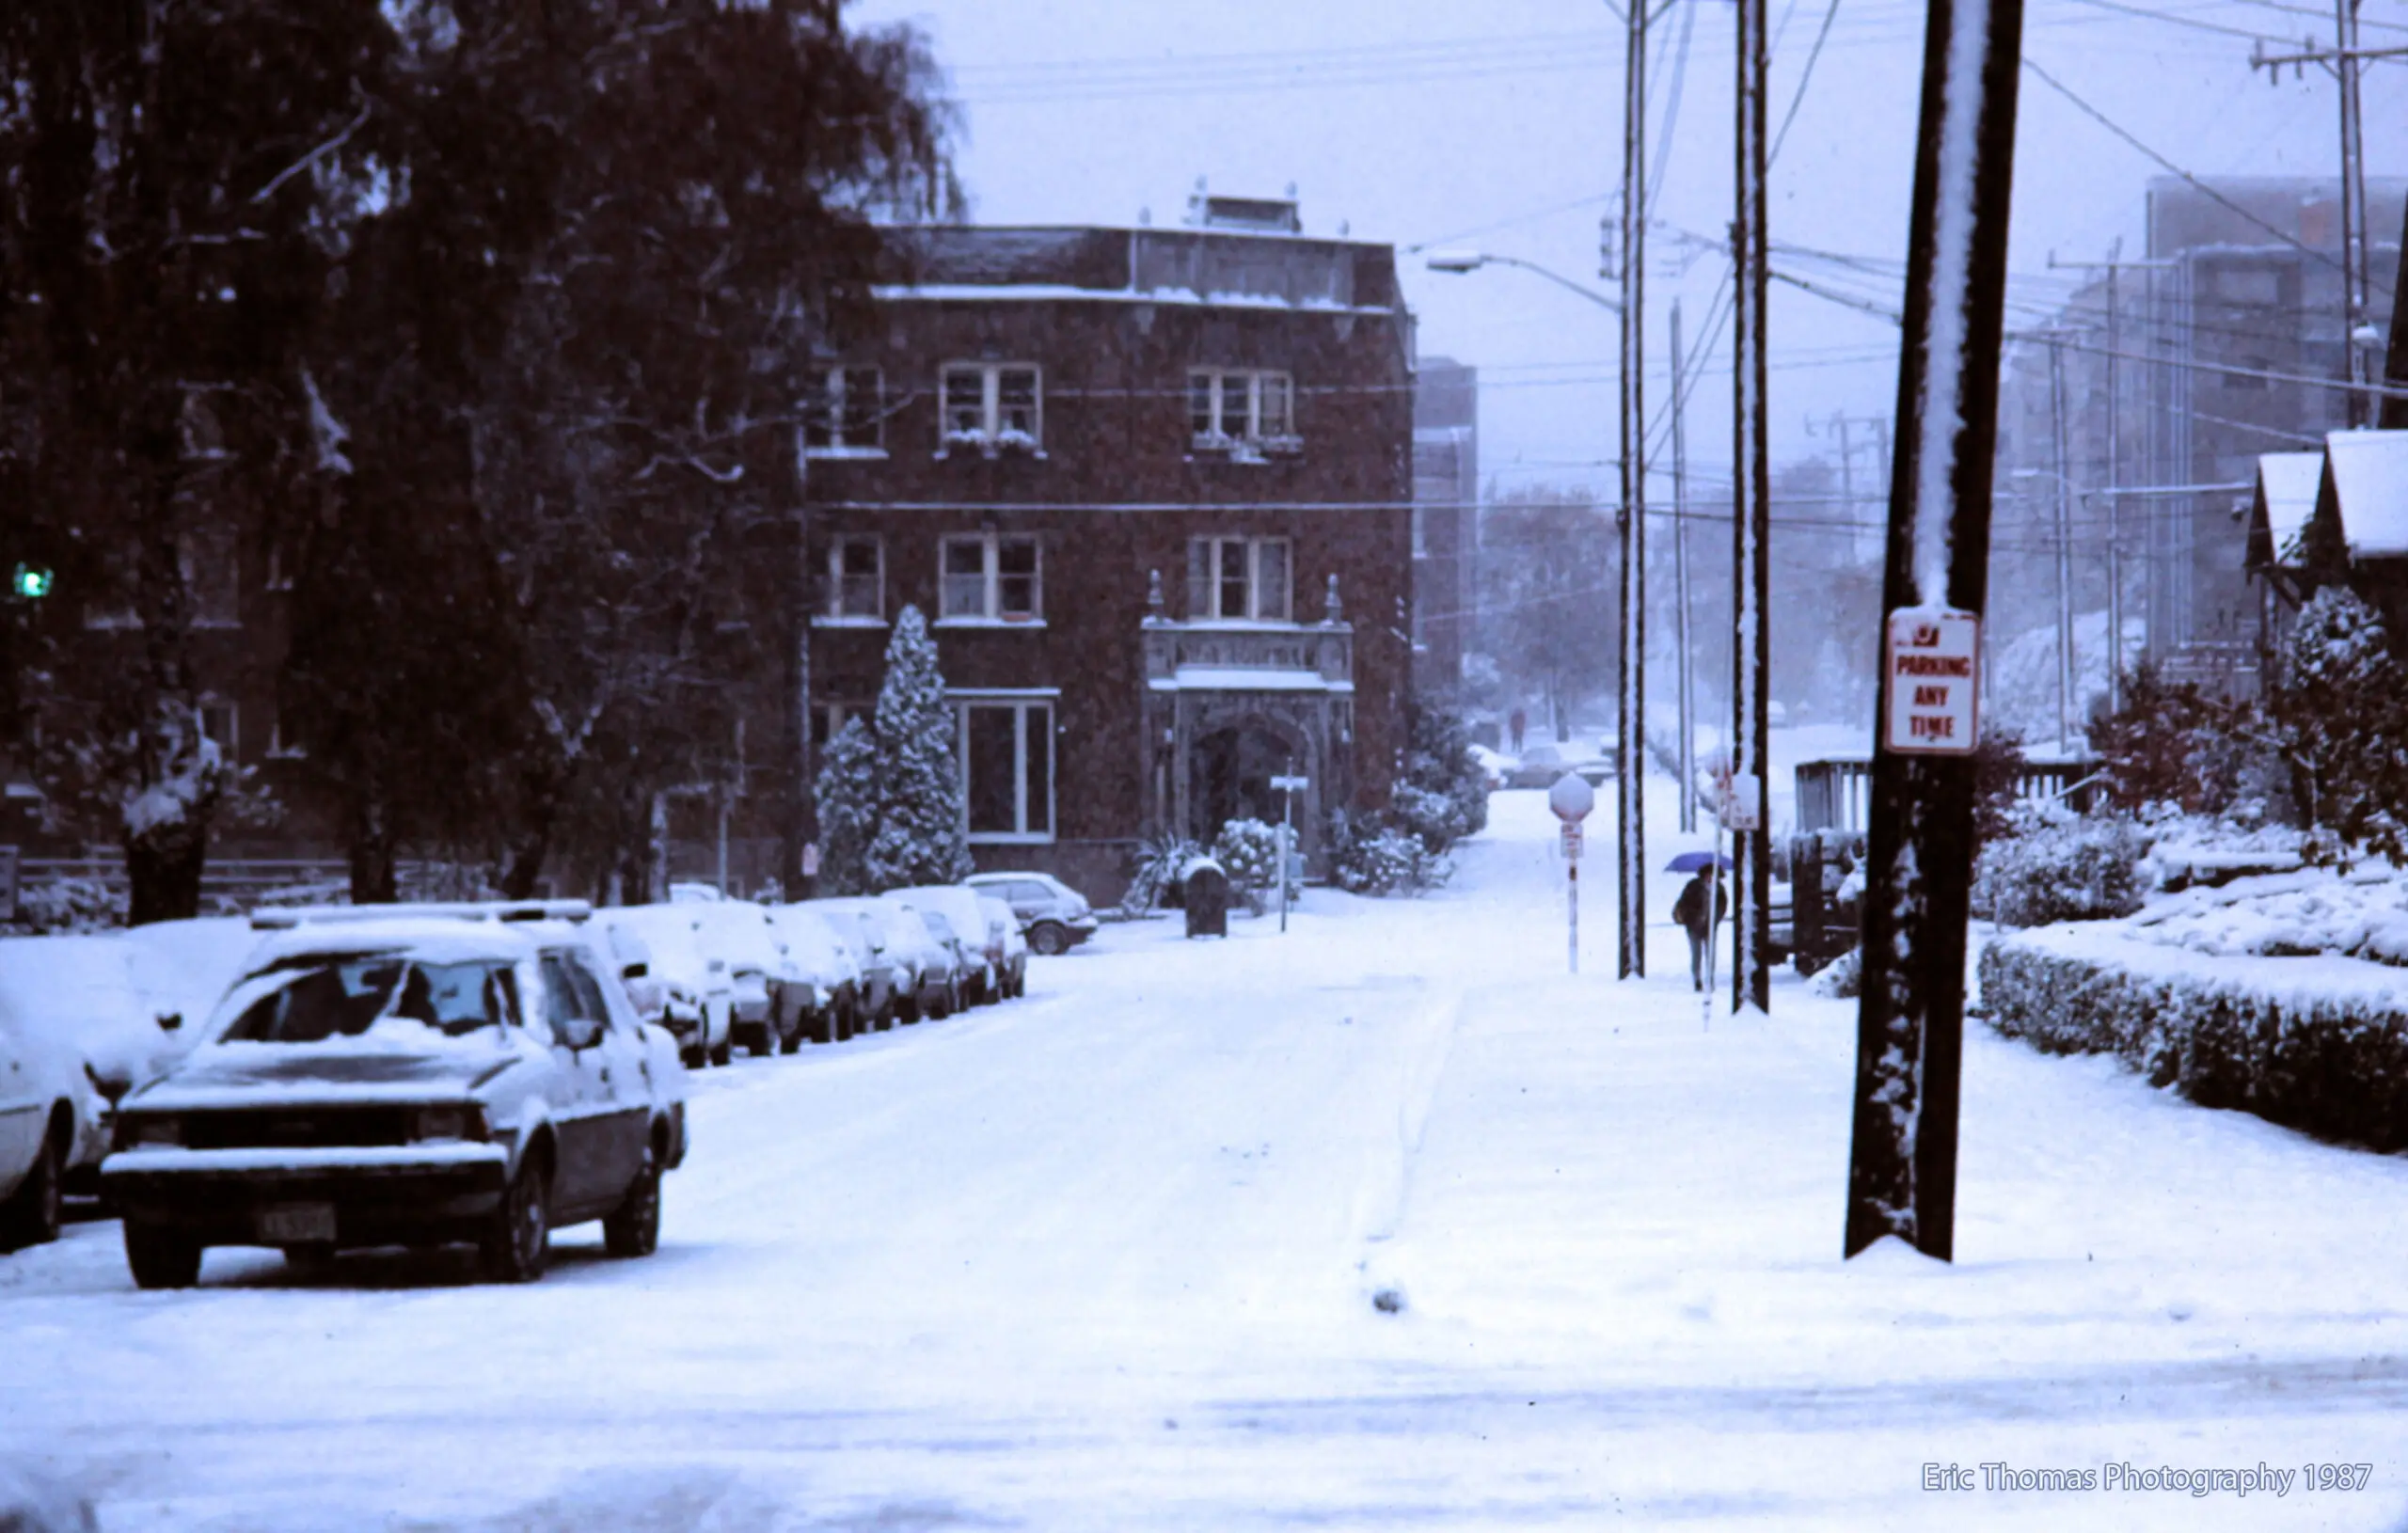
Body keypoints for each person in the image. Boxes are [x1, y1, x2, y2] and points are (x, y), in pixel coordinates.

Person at [1671, 865, 1728, 992]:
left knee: (1710, 954)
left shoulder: (1719, 889)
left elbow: (1722, 907)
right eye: (1709, 875)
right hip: (1693, 926)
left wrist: (1715, 918)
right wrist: (1694, 916)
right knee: (1696, 954)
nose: (1711, 878)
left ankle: (1710, 978)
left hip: (1710, 927)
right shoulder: (1693, 886)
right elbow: (1684, 903)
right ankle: (1697, 979)